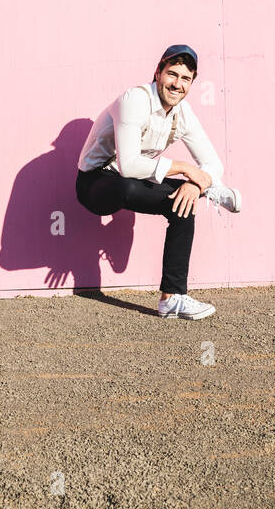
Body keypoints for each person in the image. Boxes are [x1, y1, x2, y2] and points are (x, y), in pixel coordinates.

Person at [75, 44, 240, 319]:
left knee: (182, 202)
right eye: (172, 74)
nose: (177, 84)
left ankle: (173, 298)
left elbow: (213, 162)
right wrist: (185, 170)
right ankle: (212, 189)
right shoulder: (134, 100)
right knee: (127, 184)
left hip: (134, 180)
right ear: (158, 73)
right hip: (96, 184)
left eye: (185, 79)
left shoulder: (182, 113)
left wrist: (195, 184)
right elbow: (128, 166)